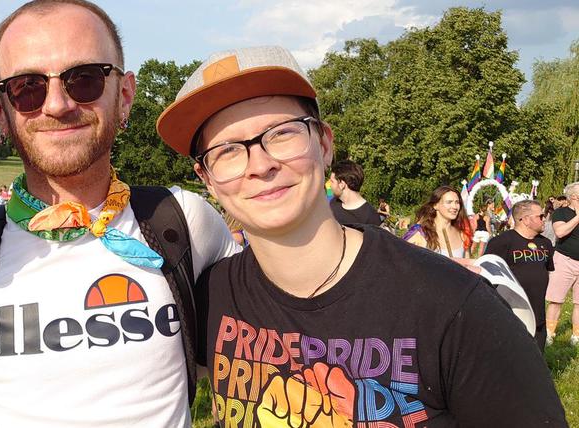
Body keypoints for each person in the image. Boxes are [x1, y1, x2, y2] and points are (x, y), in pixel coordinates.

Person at [155, 45, 566, 426]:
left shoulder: (455, 307)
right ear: (206, 179)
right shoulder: (209, 299)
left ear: (325, 144)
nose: (259, 164)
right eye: (227, 150)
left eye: (281, 132)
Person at [0, 1, 239, 426]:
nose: (57, 105)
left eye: (85, 79)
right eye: (27, 87)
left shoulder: (184, 220)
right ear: (0, 110)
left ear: (125, 95)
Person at [485, 199, 554, 351]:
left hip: (538, 313)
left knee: (537, 357)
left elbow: (545, 272)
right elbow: (487, 277)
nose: (545, 219)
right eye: (540, 216)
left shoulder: (546, 244)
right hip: (510, 312)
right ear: (525, 219)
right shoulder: (501, 242)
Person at [547, 182, 579, 346]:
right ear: (574, 196)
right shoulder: (561, 212)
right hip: (564, 260)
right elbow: (560, 232)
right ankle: (549, 334)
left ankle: (576, 336)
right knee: (556, 300)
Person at [404, 185, 472, 260]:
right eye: (449, 202)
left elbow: (467, 267)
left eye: (457, 202)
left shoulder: (462, 234)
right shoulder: (420, 233)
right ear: (435, 205)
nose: (454, 207)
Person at [327, 159, 380, 226]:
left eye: (332, 181)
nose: (329, 184)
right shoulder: (333, 203)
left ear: (342, 184)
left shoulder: (371, 217)